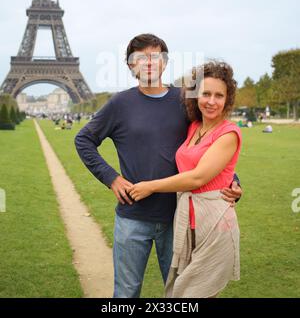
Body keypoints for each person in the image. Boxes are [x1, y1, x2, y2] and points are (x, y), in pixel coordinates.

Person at [74, 34, 242, 298]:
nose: (148, 63)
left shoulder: (185, 101)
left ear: (165, 63)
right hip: (132, 217)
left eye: (155, 57)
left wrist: (233, 180)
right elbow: (83, 139)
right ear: (130, 66)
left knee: (180, 293)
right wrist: (111, 178)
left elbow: (207, 144)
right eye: (140, 58)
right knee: (126, 293)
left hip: (178, 218)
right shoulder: (120, 104)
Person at [129, 61, 242, 298]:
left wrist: (151, 186)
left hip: (214, 223)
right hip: (187, 221)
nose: (211, 101)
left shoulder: (229, 133)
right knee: (182, 291)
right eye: (206, 93)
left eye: (219, 95)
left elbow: (198, 177)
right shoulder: (194, 127)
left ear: (227, 99)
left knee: (191, 295)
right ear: (195, 95)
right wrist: (234, 181)